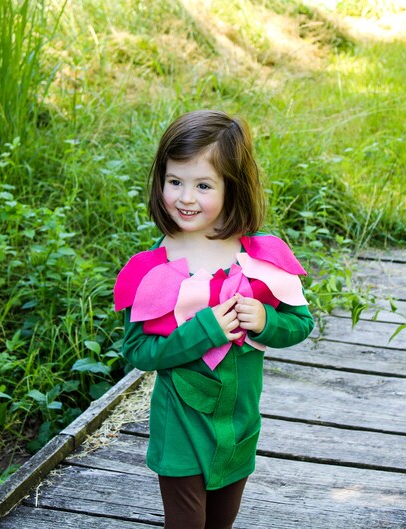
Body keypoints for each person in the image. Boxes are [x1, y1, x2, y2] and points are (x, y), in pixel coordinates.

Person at [113, 109, 315, 529]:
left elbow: (300, 323)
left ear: (232, 188)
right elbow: (138, 350)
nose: (186, 198)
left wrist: (265, 321)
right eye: (175, 182)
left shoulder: (260, 258)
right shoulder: (154, 268)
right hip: (181, 429)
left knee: (221, 522)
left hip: (240, 424)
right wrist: (203, 330)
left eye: (203, 185)